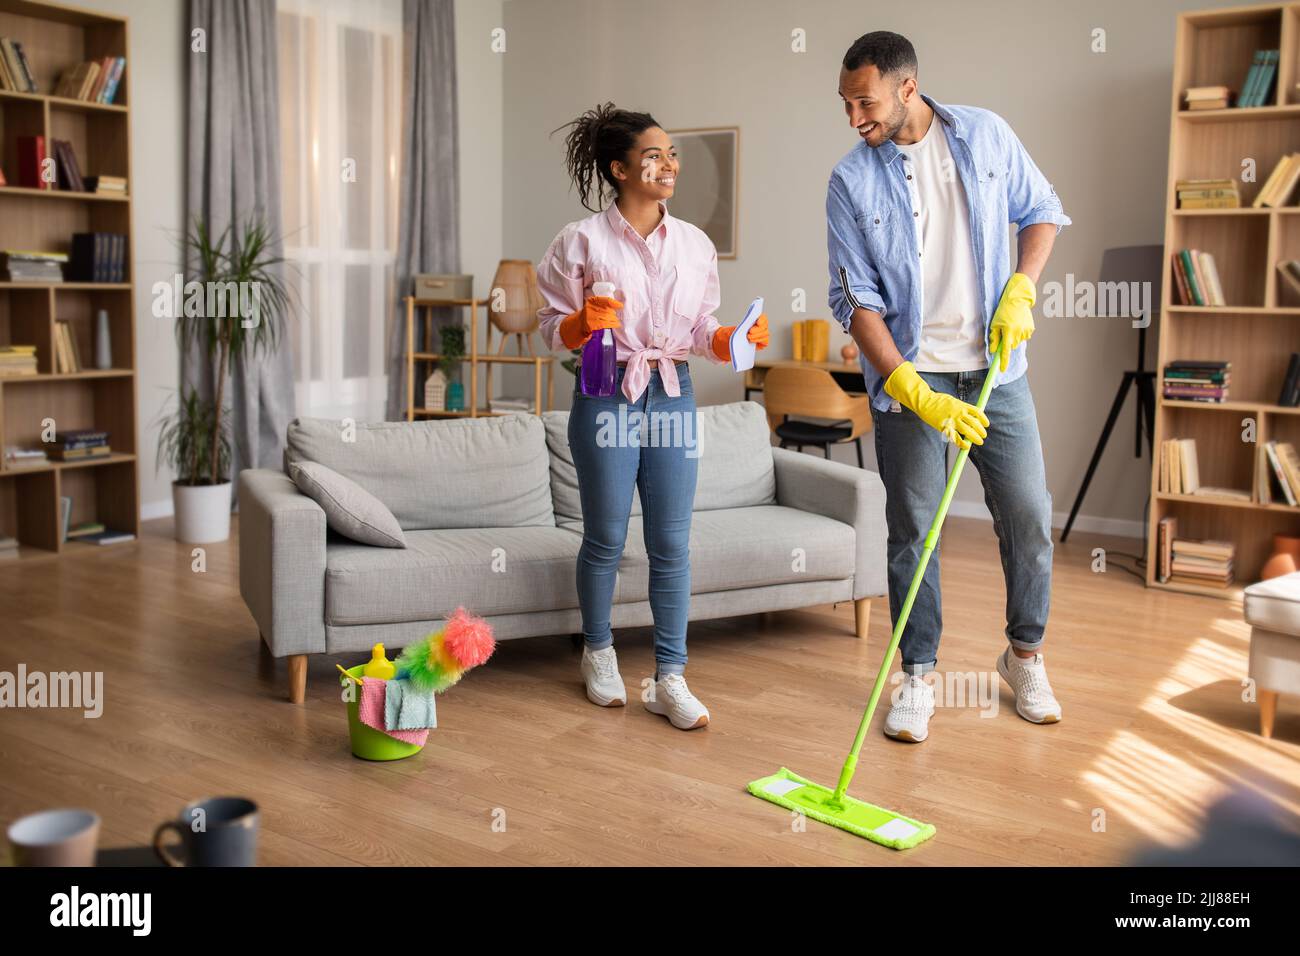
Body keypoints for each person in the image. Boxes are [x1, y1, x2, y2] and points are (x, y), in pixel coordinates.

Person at [827, 32, 1070, 742]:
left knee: (1028, 518)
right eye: (843, 104)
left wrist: (1022, 286)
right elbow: (856, 302)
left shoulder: (986, 135)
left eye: (864, 102)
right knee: (914, 533)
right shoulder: (850, 181)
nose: (853, 119)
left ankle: (1024, 655)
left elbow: (1043, 209)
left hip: (998, 371)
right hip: (914, 380)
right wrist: (910, 386)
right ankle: (918, 676)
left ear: (907, 87)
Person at [536, 103, 769, 730]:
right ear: (619, 168)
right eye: (654, 155)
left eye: (672, 154)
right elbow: (549, 330)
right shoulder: (579, 241)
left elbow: (698, 326)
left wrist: (728, 341)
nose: (669, 165)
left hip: (671, 392)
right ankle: (600, 652)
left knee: (671, 543)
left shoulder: (694, 244)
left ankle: (670, 675)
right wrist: (583, 323)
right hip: (606, 392)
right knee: (607, 538)